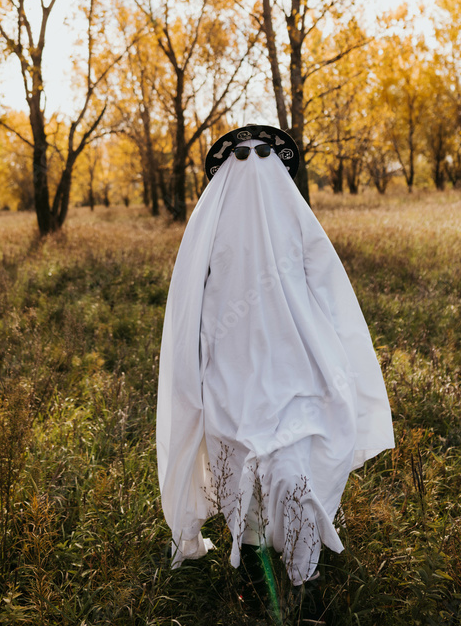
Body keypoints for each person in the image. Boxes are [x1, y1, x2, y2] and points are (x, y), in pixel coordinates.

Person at [156, 123, 394, 614]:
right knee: (240, 468)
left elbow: (329, 292)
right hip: (229, 380)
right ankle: (254, 559)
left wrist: (334, 361)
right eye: (242, 156)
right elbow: (188, 307)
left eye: (265, 153)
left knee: (291, 471)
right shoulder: (211, 229)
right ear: (227, 169)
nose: (254, 163)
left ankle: (303, 574)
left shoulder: (295, 221)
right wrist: (197, 374)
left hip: (299, 375)